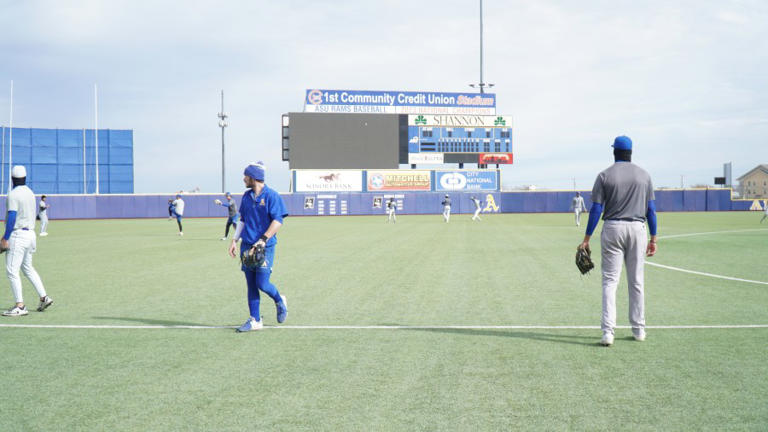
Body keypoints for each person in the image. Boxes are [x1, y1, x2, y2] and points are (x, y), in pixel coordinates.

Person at [578, 136, 657, 346]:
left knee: (610, 281)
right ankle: (639, 329)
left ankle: (608, 333)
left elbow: (596, 209)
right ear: (630, 152)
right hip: (638, 228)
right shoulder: (644, 176)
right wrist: (654, 237)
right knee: (636, 281)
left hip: (612, 227)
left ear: (614, 152)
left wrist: (587, 238)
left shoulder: (604, 175)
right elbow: (651, 210)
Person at [228, 162, 288, 332]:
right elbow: (242, 220)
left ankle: (279, 300)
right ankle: (255, 320)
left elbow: (278, 221)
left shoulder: (272, 196)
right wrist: (234, 240)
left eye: (246, 176)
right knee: (251, 284)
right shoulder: (246, 197)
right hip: (247, 245)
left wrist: (263, 240)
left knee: (262, 283)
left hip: (265, 247)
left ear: (253, 177)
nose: (243, 179)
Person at [2, 166, 52, 317]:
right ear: (25, 178)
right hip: (31, 234)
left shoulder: (13, 194)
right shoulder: (30, 193)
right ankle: (44, 297)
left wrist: (5, 237)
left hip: (18, 235)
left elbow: (12, 216)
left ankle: (20, 306)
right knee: (27, 268)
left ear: (12, 179)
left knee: (12, 270)